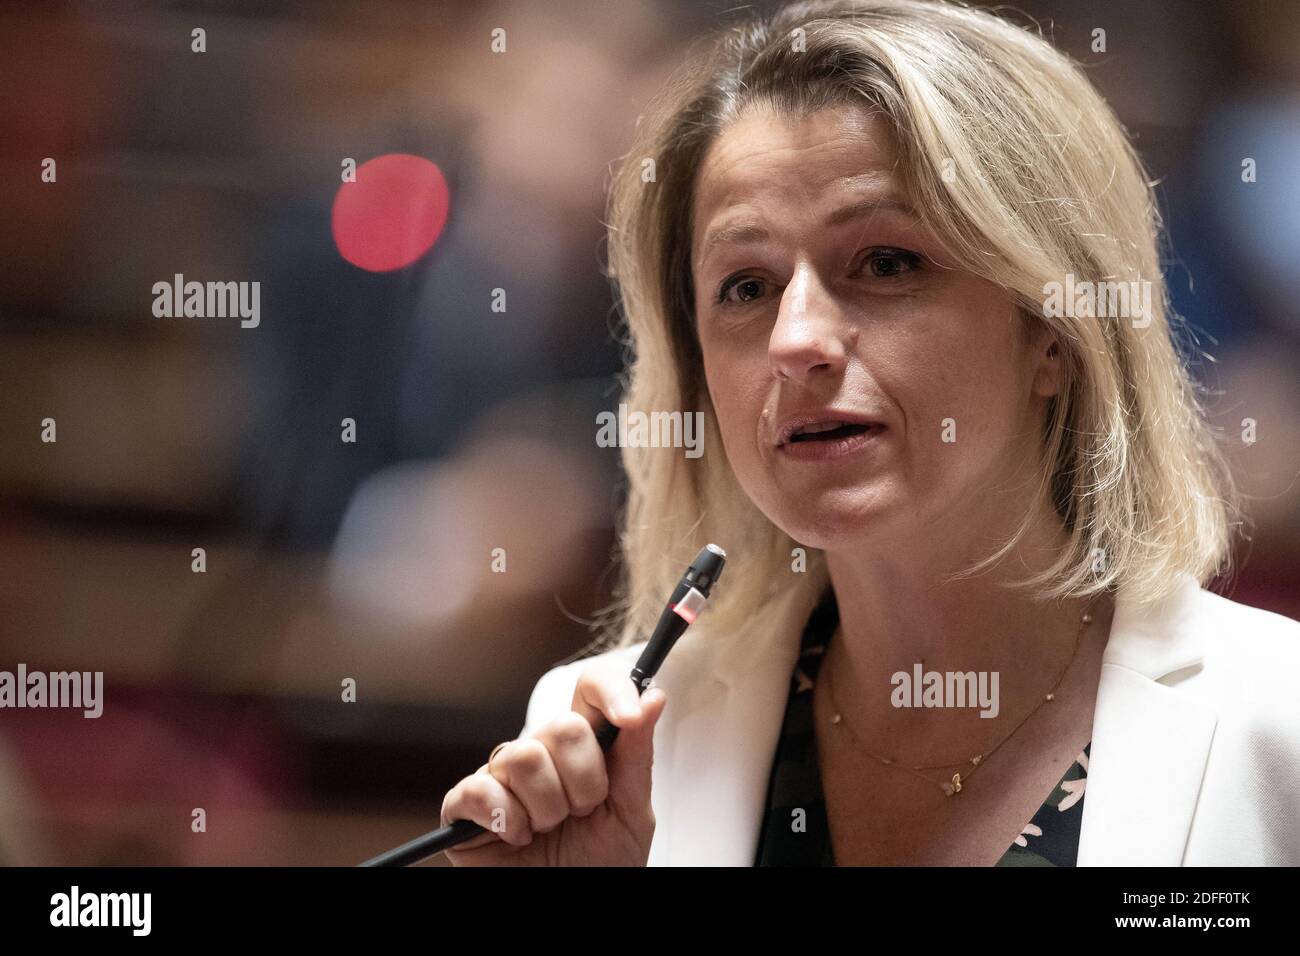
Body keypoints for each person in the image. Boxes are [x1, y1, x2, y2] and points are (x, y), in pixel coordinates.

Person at [438, 0, 1300, 866]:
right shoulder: (601, 748)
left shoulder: (1277, 722)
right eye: (745, 285)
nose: (795, 340)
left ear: (1056, 332)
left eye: (887, 263)